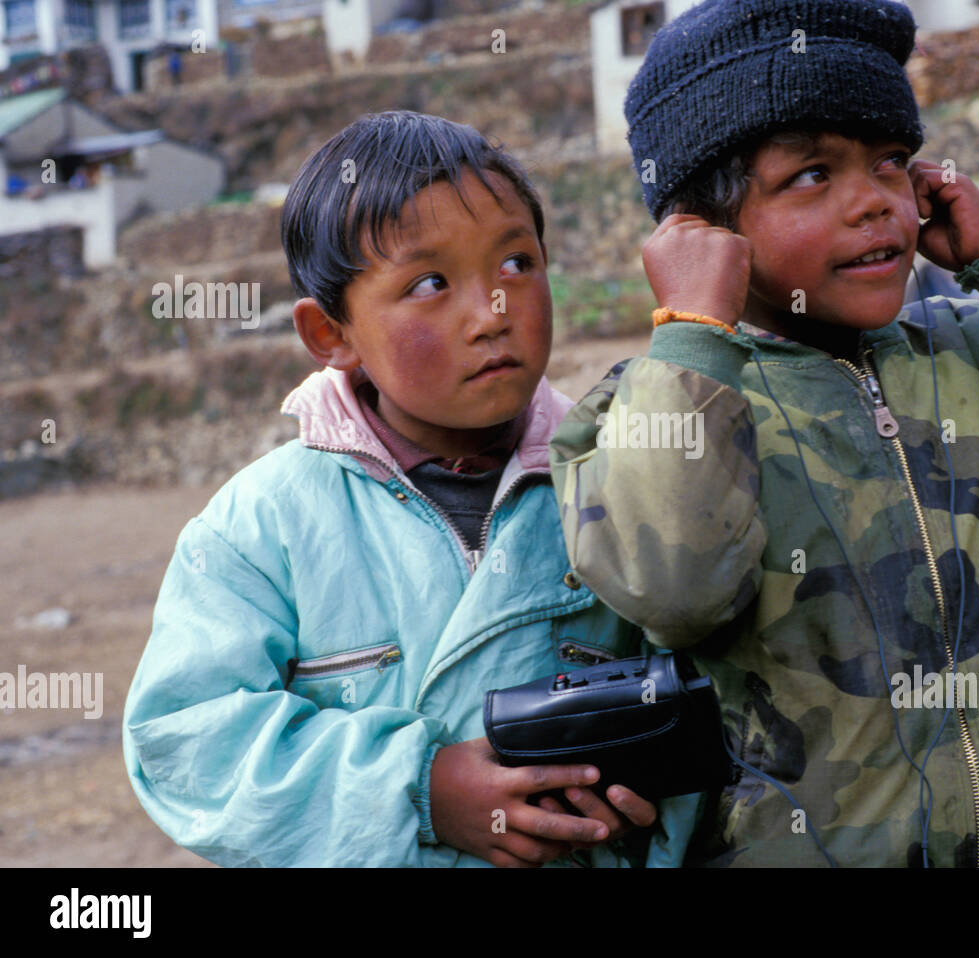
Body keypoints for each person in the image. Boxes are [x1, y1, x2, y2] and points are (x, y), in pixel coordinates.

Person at [549, 0, 979, 867]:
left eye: (892, 162)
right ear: (700, 231)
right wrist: (691, 340)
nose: (874, 203)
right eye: (811, 176)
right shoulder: (647, 413)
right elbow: (674, 587)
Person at [123, 111, 698, 867]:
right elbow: (187, 740)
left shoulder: (617, 477)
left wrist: (642, 799)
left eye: (516, 264)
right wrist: (419, 788)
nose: (491, 314)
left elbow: (704, 687)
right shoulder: (261, 525)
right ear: (331, 334)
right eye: (430, 283)